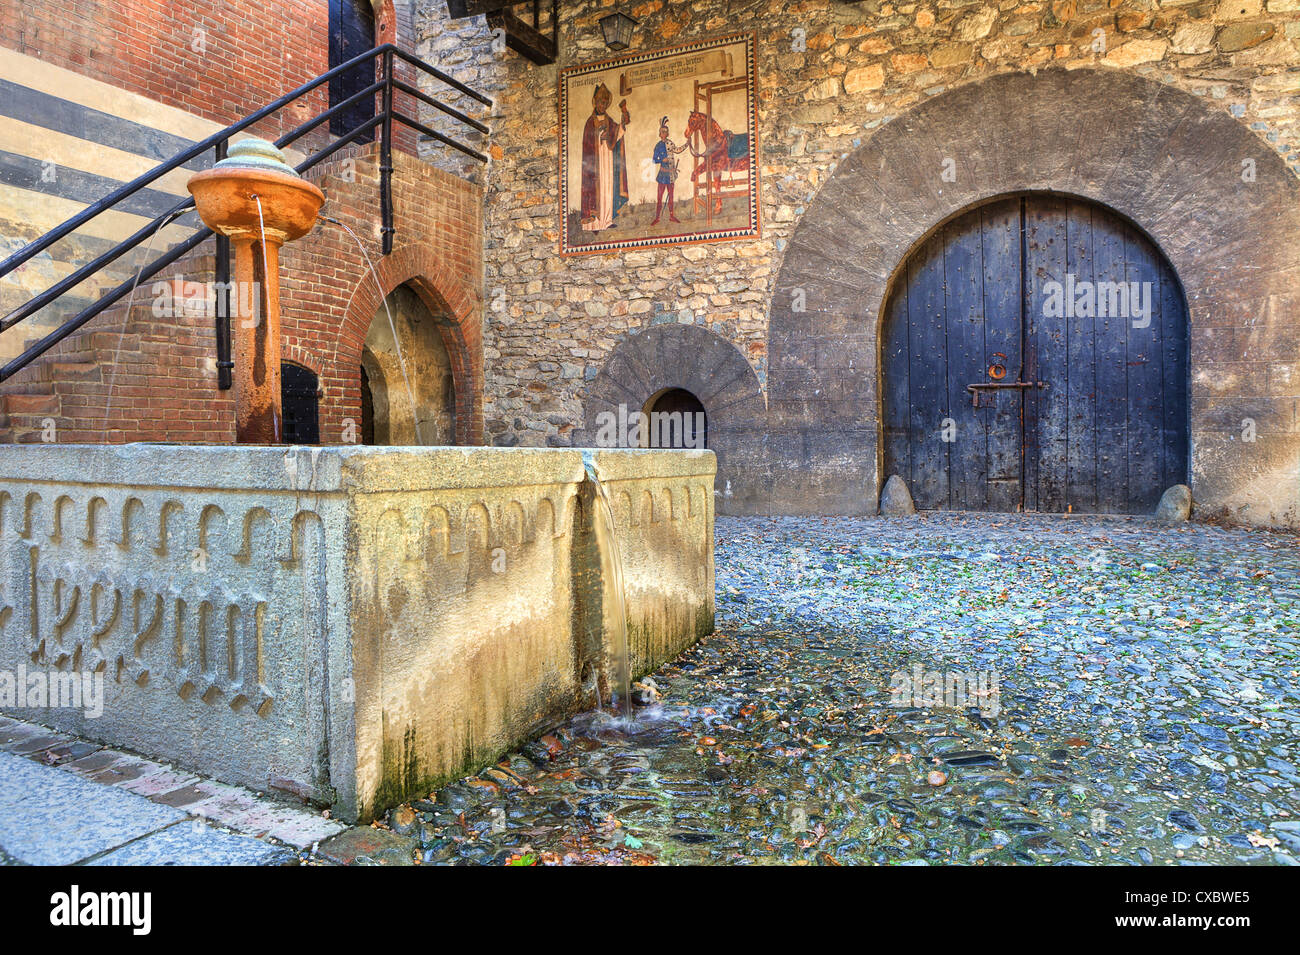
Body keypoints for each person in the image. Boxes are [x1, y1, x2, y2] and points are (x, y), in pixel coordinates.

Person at [579, 83, 630, 232]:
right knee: (595, 190)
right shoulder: (590, 122)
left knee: (608, 187)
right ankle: (593, 224)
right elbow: (587, 143)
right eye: (600, 102)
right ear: (595, 102)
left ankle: (607, 220)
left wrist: (622, 124)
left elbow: (617, 134)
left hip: (607, 160)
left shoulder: (609, 120)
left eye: (605, 102)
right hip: (595, 164)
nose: (602, 105)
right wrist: (599, 137)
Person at [650, 115, 687, 226]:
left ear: (668, 133)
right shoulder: (658, 146)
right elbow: (653, 160)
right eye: (662, 131)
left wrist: (687, 145)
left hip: (671, 174)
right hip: (662, 175)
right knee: (660, 197)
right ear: (659, 133)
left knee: (671, 197)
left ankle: (671, 216)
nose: (664, 133)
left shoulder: (670, 143)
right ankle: (657, 217)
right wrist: (662, 159)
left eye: (666, 131)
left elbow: (678, 150)